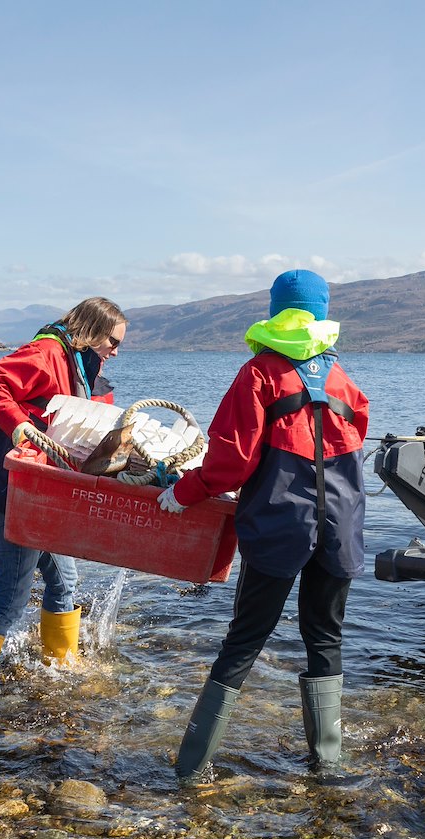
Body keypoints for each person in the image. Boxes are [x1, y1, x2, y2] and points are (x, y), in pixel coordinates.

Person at [157, 270, 369, 784]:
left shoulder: (260, 373)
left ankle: (190, 770)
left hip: (280, 528)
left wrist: (181, 492)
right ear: (321, 314)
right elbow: (355, 435)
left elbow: (231, 461)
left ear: (276, 311)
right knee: (325, 639)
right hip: (340, 528)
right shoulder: (342, 378)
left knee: (245, 639)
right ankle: (327, 767)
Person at [0, 297, 127, 726]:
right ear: (92, 330)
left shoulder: (81, 364)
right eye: (113, 341)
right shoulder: (46, 353)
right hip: (13, 489)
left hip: (42, 492)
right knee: (10, 600)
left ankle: (60, 670)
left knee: (65, 581)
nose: (116, 350)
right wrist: (17, 423)